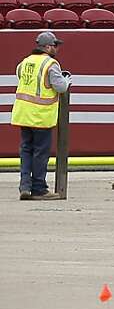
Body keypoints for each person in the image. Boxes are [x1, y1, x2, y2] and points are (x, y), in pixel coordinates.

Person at [13, 31, 69, 201]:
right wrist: (67, 80)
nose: (57, 49)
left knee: (26, 151)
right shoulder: (50, 63)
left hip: (23, 114)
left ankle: (25, 186)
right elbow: (60, 87)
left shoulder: (24, 62)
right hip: (41, 116)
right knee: (40, 153)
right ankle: (39, 188)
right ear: (47, 47)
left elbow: (20, 77)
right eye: (55, 45)